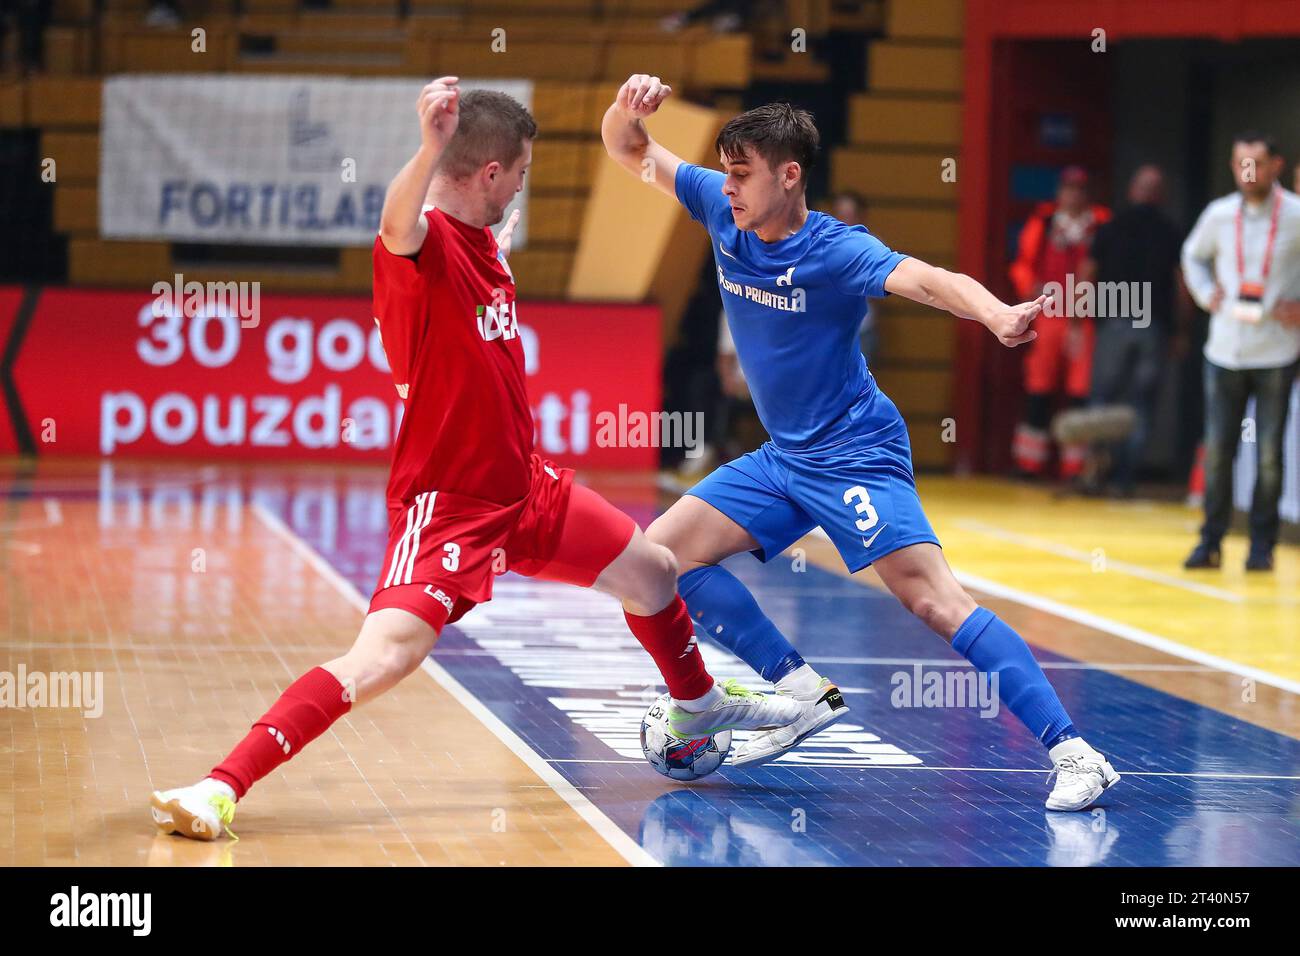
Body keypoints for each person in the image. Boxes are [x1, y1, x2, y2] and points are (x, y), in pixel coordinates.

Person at [150, 79, 799, 842]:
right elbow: (395, 224)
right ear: (490, 172)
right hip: (450, 503)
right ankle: (221, 786)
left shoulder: (487, 244)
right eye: (518, 171)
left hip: (525, 488)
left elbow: (479, 251)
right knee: (383, 660)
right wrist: (429, 148)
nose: (522, 184)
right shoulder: (419, 245)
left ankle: (697, 704)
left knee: (653, 572)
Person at [602, 74, 1120, 811]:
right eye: (724, 171)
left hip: (854, 454)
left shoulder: (838, 251)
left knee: (935, 602)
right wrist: (628, 108)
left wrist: (1000, 315)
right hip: (784, 456)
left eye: (742, 173)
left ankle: (1075, 753)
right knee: (658, 562)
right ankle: (799, 690)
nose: (729, 186)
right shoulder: (719, 207)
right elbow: (628, 150)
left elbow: (934, 281)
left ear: (790, 175)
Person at [1181, 132, 1300, 572]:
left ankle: (1261, 547)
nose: (1247, 172)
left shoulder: (1295, 217)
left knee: (1269, 454)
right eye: (1240, 164)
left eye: (1256, 163)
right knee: (1218, 450)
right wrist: (1205, 292)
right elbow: (1192, 256)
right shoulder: (1219, 214)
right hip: (1225, 349)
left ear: (1276, 167)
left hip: (1276, 352)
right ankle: (1210, 541)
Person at [1080, 164, 1187, 495]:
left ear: (1132, 191)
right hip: (1151, 327)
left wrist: (1079, 319)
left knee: (1102, 400)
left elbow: (1087, 273)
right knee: (1140, 405)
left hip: (1114, 322)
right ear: (1161, 195)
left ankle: (1095, 473)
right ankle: (1123, 480)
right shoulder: (1170, 231)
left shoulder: (1111, 227)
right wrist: (1181, 331)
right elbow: (1182, 285)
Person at [1009, 167, 1112, 481]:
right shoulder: (1043, 222)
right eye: (1068, 188)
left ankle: (1075, 467)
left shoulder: (1101, 224)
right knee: (1039, 386)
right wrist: (1029, 291)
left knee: (1080, 391)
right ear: (1060, 193)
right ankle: (1030, 463)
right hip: (1049, 316)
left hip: (1085, 319)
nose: (1073, 195)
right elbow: (1023, 264)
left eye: (1079, 189)